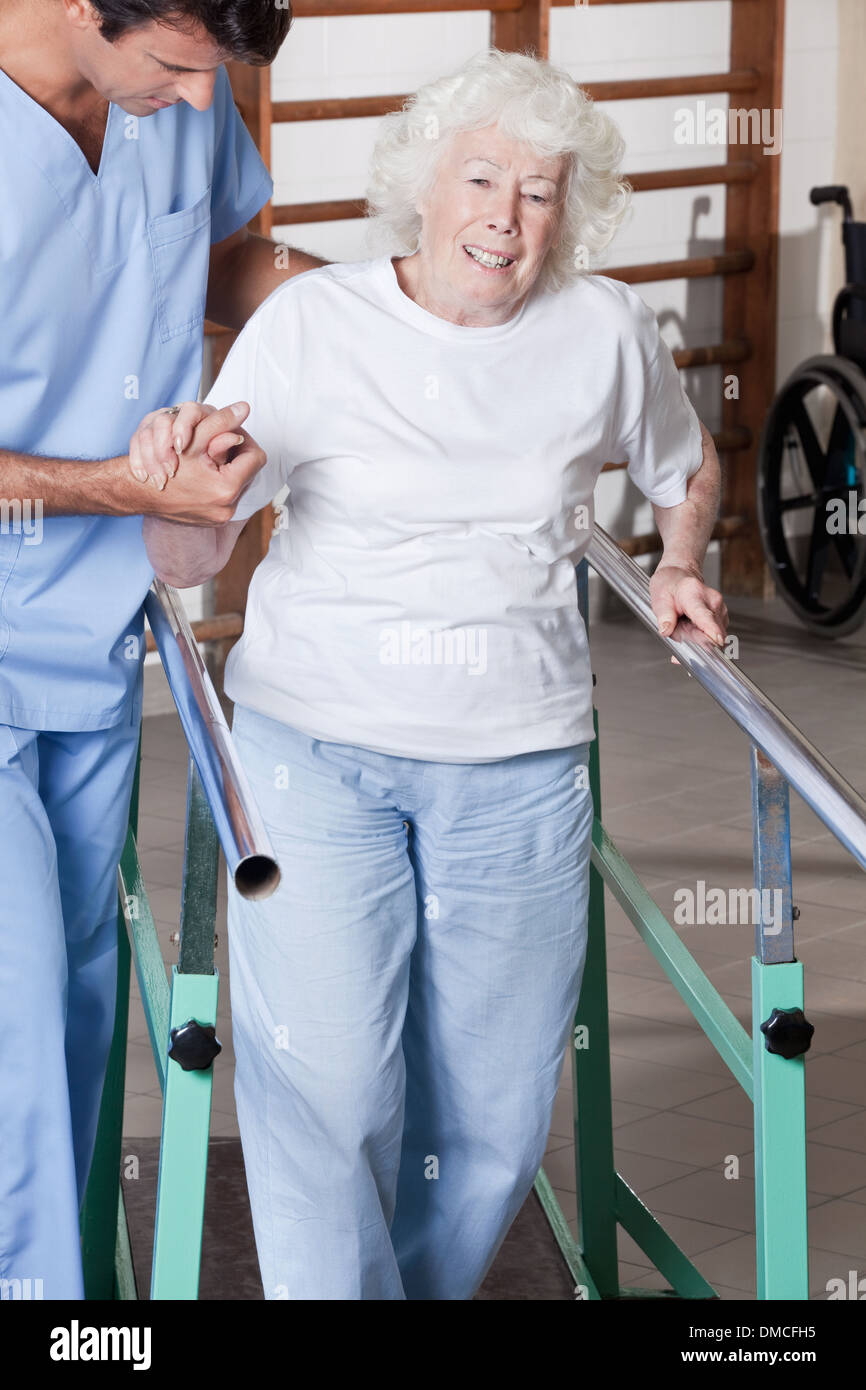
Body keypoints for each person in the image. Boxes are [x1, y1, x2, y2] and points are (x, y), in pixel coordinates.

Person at [136, 48, 729, 1300]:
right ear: (423, 185)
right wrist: (174, 483)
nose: (505, 218)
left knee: (497, 1111)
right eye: (480, 178)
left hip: (515, 769)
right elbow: (192, 546)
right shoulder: (309, 323)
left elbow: (686, 466)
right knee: (325, 1076)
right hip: (313, 751)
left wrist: (677, 562)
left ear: (568, 209)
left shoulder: (602, 330)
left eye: (538, 190)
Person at [0, 0, 323, 1300]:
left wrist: (363, 302)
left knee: (79, 1022)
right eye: (178, 67)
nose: (202, 103)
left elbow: (220, 261)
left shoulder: (179, 107)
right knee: (16, 1022)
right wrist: (132, 494)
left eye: (220, 74)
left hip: (94, 641)